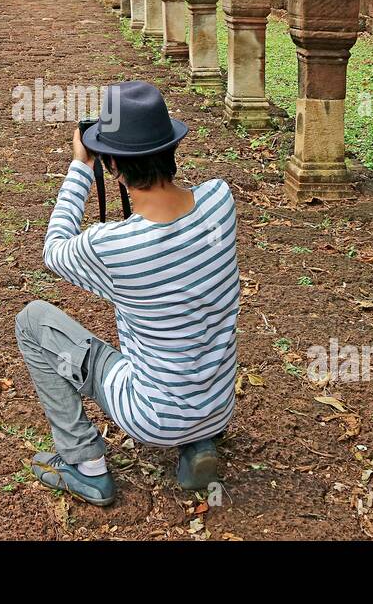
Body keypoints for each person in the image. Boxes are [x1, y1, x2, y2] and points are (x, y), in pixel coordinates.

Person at [15, 80, 240, 506]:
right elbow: (175, 208)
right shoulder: (220, 201)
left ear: (113, 166)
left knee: (31, 320)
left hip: (151, 416)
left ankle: (86, 466)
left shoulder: (111, 245)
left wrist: (80, 166)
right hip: (218, 404)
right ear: (172, 147)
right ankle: (199, 443)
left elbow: (53, 249)